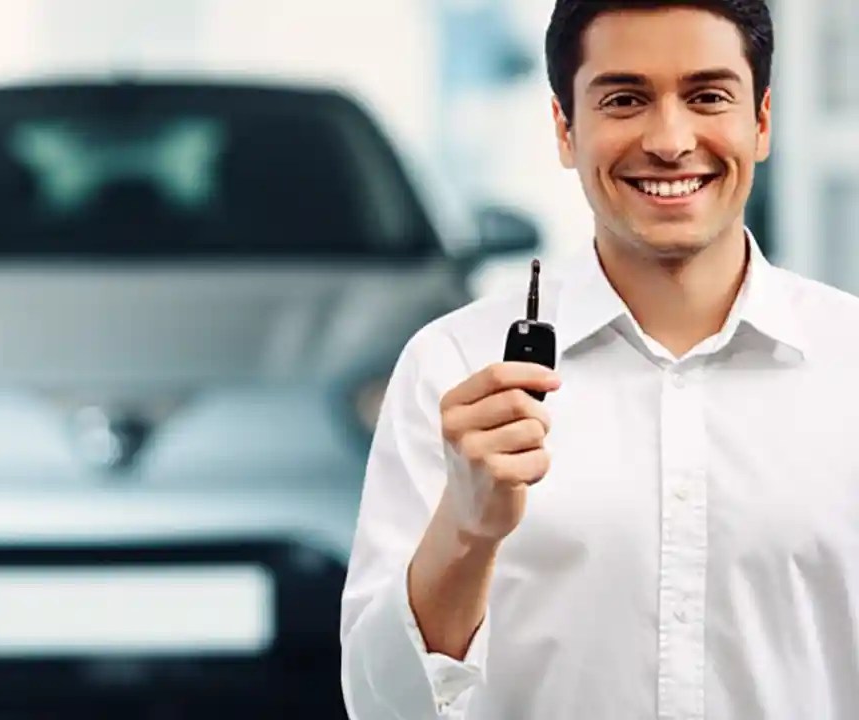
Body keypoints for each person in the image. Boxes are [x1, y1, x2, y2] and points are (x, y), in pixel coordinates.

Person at [340, 1, 859, 718]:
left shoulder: (850, 366)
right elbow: (381, 706)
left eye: (708, 97)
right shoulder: (452, 366)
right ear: (564, 128)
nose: (672, 140)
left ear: (761, 121)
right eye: (624, 99)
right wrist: (466, 527)